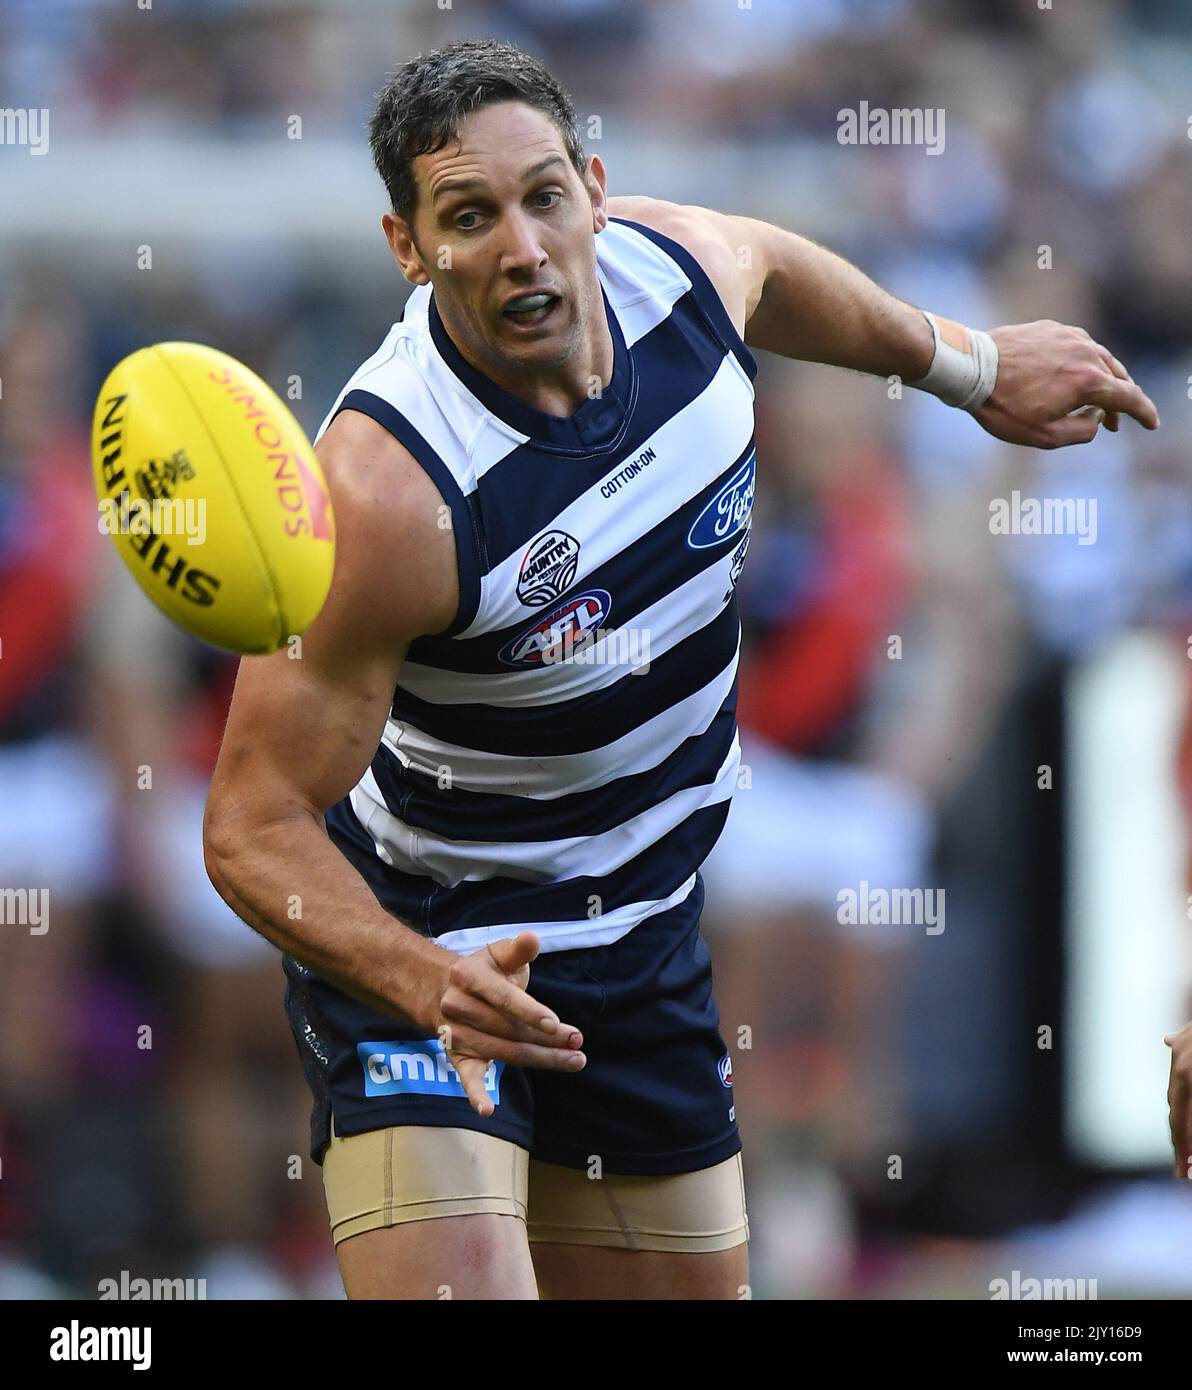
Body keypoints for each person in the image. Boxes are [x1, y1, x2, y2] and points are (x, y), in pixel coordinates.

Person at [202, 38, 1158, 1300]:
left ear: (594, 186)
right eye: (468, 216)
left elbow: (769, 266)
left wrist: (967, 368)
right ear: (406, 246)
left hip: (643, 928)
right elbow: (250, 822)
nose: (522, 246)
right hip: (428, 943)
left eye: (545, 196)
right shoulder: (385, 496)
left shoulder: (680, 275)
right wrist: (415, 976)